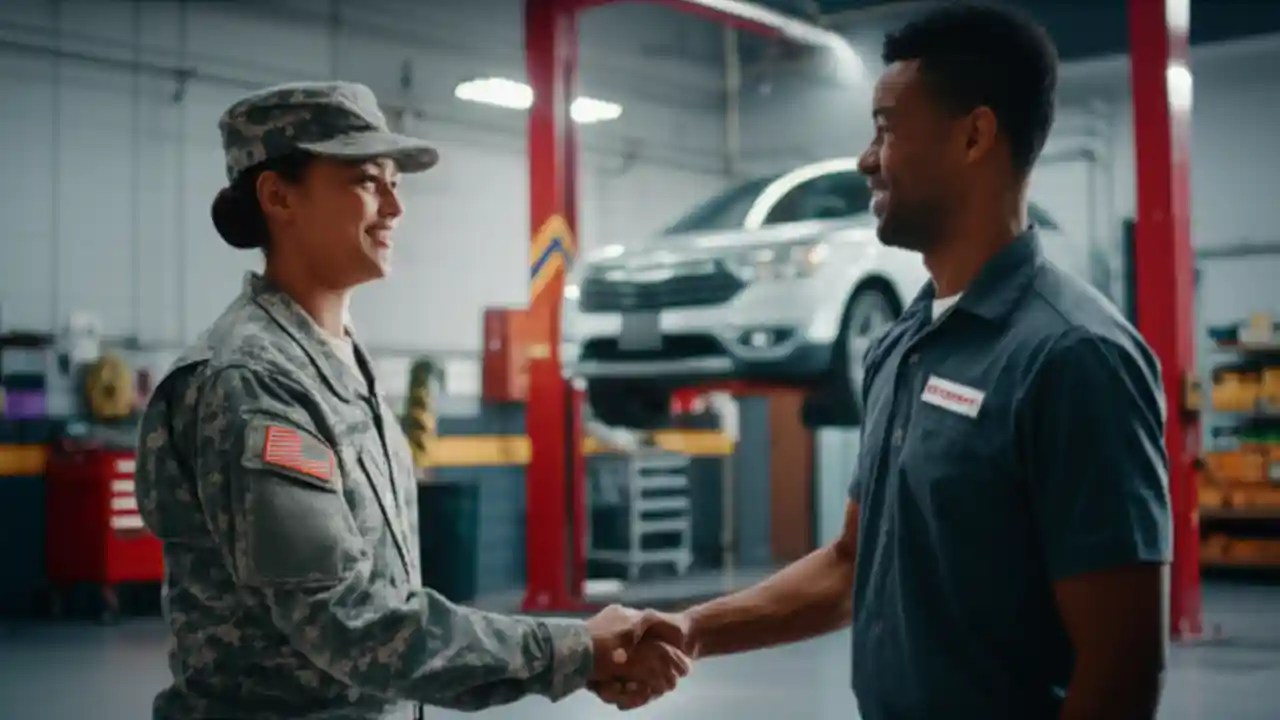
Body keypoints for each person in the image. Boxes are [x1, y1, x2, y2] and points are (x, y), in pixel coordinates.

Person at [598, 5, 1172, 719]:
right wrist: (693, 630)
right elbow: (849, 565)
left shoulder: (1075, 357)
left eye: (886, 128)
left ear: (974, 135)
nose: (868, 158)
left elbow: (1121, 667)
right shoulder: (901, 346)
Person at [133, 81, 689, 719]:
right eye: (367, 180)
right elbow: (346, 620)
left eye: (396, 181)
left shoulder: (332, 358)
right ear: (279, 195)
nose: (395, 206)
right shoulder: (253, 378)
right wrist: (573, 649)